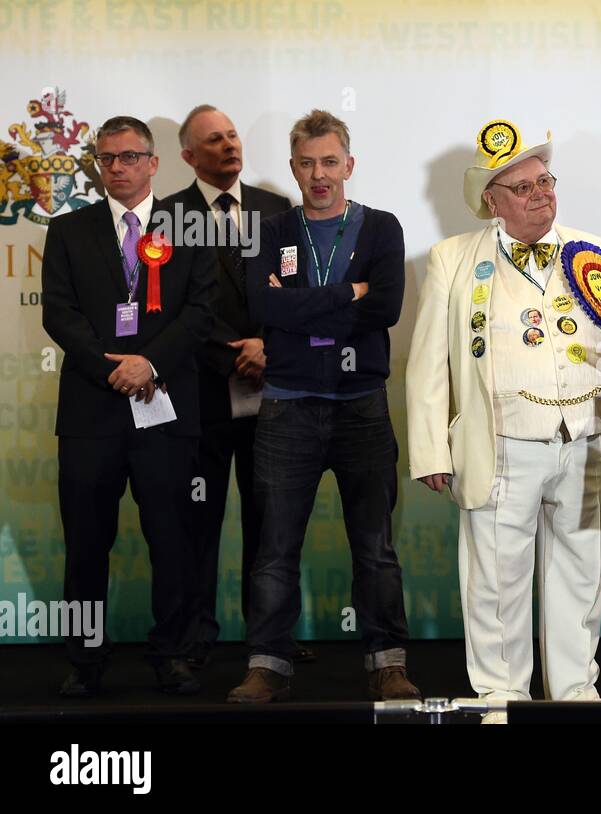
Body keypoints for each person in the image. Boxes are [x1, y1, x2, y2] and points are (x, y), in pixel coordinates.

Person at [406, 119, 601, 718]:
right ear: (491, 199)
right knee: (497, 578)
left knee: (581, 573)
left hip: (586, 437)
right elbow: (427, 365)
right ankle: (501, 693)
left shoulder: (597, 251)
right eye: (523, 187)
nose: (541, 193)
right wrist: (430, 451)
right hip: (500, 442)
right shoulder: (453, 259)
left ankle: (575, 689)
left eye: (546, 180)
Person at [226, 110, 418, 703]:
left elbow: (384, 308)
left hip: (361, 405)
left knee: (375, 548)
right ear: (293, 168)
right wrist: (345, 296)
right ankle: (267, 665)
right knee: (274, 548)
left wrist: (306, 303)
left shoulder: (382, 228)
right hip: (287, 407)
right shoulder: (270, 230)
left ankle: (387, 664)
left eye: (330, 162)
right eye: (307, 164)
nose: (319, 175)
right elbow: (266, 309)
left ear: (349, 165)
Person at [41, 116, 216, 696]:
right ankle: (84, 660)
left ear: (154, 163)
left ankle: (173, 652)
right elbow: (59, 314)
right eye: (107, 158)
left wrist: (150, 363)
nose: (116, 167)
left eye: (129, 157)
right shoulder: (68, 230)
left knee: (173, 537)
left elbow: (202, 310)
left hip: (165, 408)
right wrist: (111, 367)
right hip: (92, 412)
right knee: (86, 543)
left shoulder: (191, 225)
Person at [159, 105, 314, 669]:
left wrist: (269, 346)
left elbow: (297, 288)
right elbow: (168, 308)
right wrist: (233, 351)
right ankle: (195, 640)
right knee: (197, 521)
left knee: (269, 520)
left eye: (232, 135)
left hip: (274, 391)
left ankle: (268, 642)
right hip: (199, 396)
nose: (228, 145)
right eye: (213, 140)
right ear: (187, 156)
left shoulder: (278, 209)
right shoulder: (165, 216)